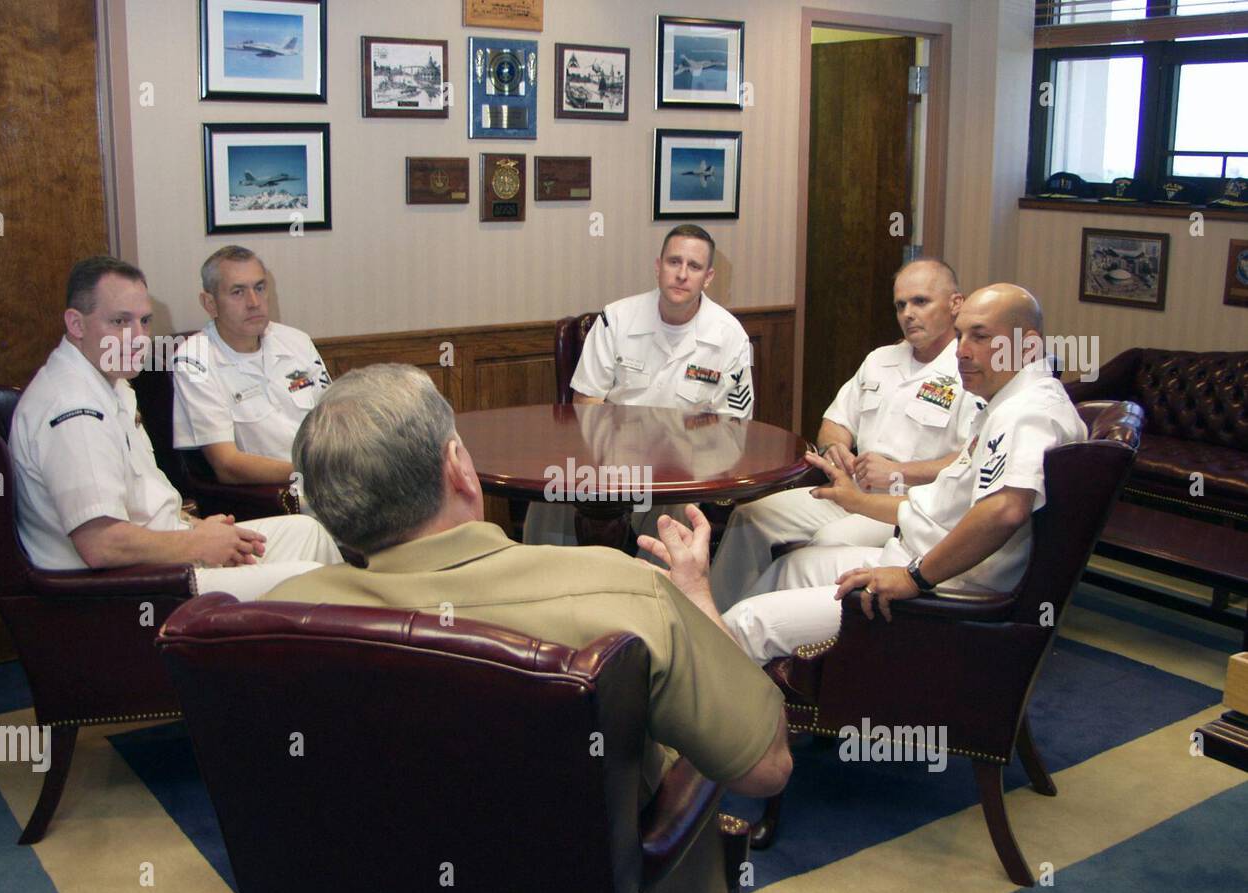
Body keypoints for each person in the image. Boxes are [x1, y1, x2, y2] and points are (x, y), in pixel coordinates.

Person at [268, 363, 792, 806]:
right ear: (458, 469)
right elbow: (765, 766)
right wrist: (697, 598)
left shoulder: (270, 623)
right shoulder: (622, 593)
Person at [641, 283, 1086, 665]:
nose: (963, 350)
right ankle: (742, 689)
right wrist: (854, 498)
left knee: (747, 621)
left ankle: (711, 741)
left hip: (945, 591)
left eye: (980, 337)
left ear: (1026, 346)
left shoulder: (1028, 413)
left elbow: (1005, 511)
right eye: (963, 334)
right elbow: (941, 505)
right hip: (911, 550)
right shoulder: (1003, 400)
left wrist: (915, 578)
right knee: (787, 570)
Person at [9, 256, 342, 600]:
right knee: (310, 577)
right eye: (120, 321)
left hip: (168, 545)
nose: (139, 338)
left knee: (308, 534)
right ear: (76, 324)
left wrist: (198, 529)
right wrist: (194, 543)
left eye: (145, 321)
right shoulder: (74, 409)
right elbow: (100, 544)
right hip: (131, 583)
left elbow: (145, 503)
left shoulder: (113, 384)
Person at [710, 259, 978, 611]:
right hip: (850, 488)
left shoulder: (968, 371)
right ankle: (715, 618)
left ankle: (792, 638)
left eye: (921, 302)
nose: (908, 314)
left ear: (955, 303)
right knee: (752, 518)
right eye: (901, 305)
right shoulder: (880, 359)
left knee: (827, 542)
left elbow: (968, 462)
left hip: (908, 507)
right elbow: (834, 422)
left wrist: (901, 472)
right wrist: (836, 448)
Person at [523, 224, 754, 547]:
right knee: (549, 494)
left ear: (709, 277)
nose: (682, 274)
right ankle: (546, 585)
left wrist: (679, 439)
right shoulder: (615, 320)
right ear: (658, 266)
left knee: (671, 516)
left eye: (694, 266)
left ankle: (649, 591)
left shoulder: (730, 338)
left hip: (685, 467)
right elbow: (584, 406)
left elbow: (734, 427)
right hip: (611, 458)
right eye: (674, 262)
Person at [172, 245, 331, 485]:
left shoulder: (296, 341)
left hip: (332, 478)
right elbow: (227, 465)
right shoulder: (194, 360)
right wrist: (314, 473)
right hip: (278, 493)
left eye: (259, 287)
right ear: (210, 303)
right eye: (238, 292)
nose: (254, 302)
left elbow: (335, 418)